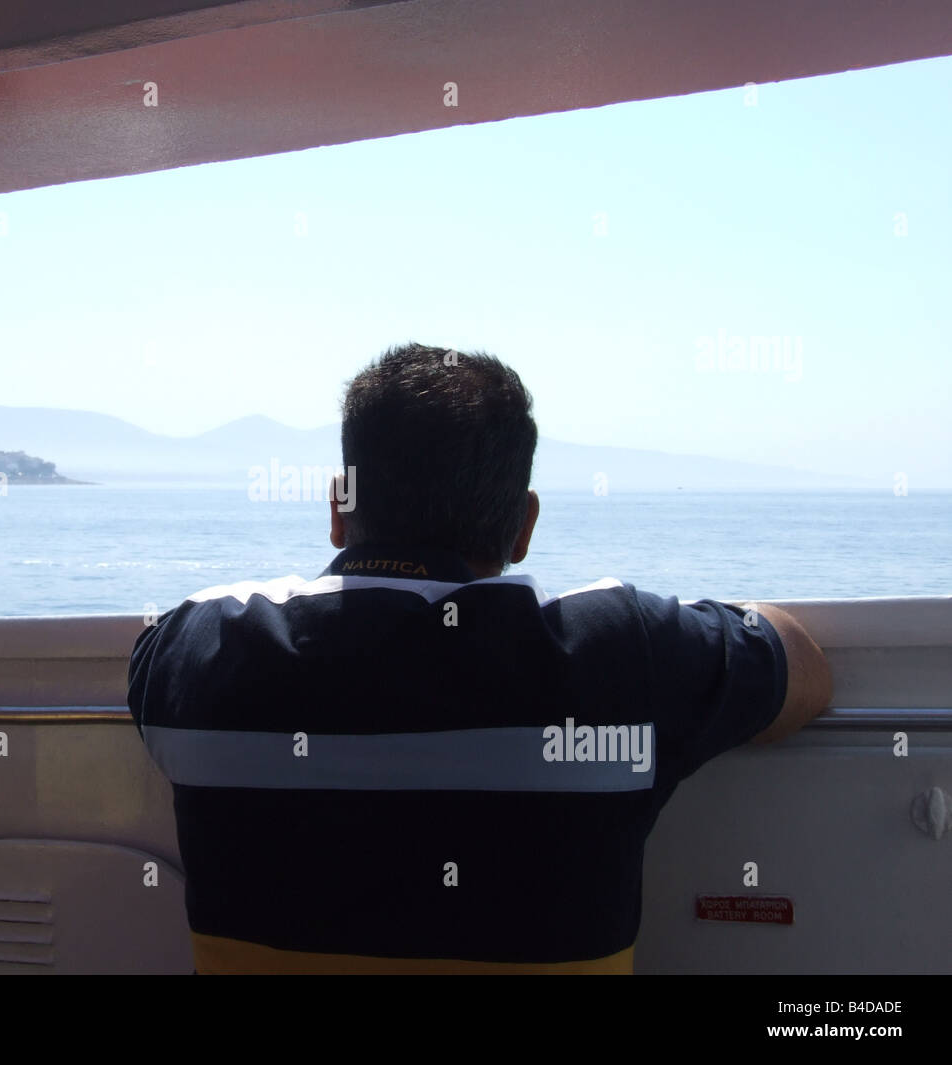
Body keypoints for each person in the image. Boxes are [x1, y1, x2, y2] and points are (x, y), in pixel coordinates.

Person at [127, 342, 832, 974]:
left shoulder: (197, 652)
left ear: (340, 508)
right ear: (522, 526)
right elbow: (802, 665)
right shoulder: (622, 652)